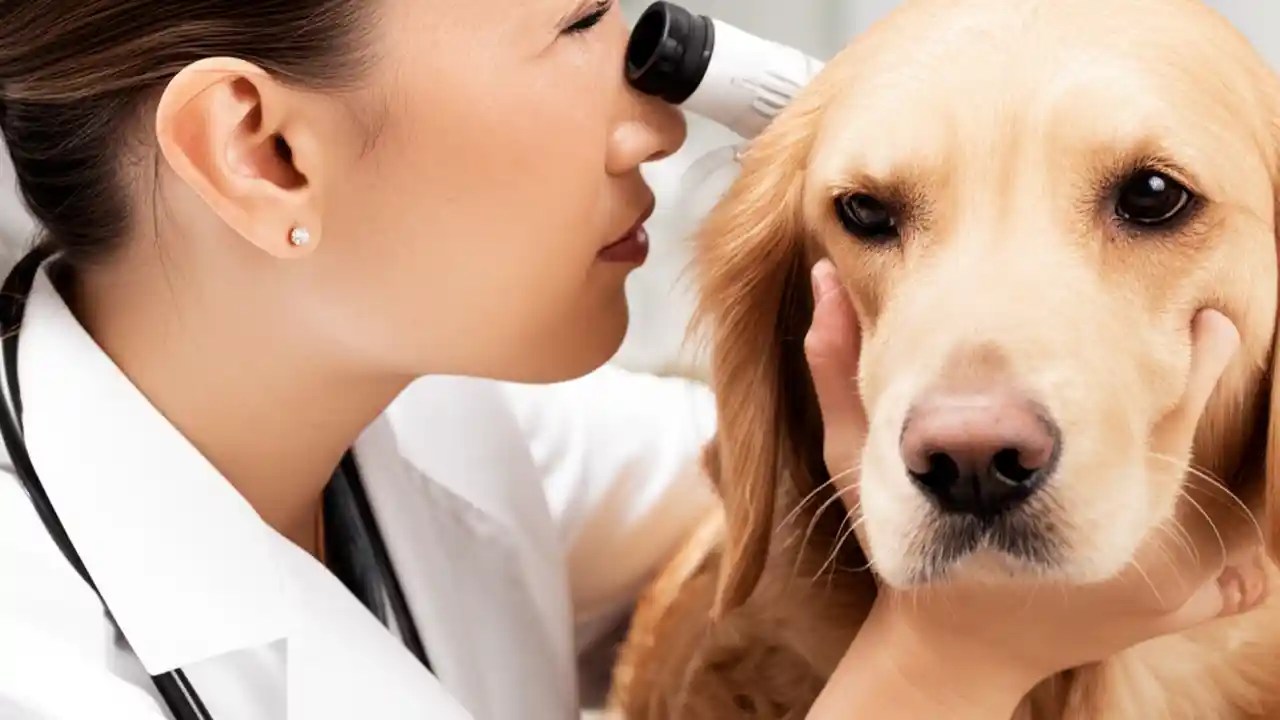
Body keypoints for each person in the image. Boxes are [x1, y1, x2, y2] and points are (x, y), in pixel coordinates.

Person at [0, 1, 1263, 719]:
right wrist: (947, 661)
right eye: (583, 19)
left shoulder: (443, 428)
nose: (658, 118)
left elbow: (766, 483)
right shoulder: (40, 674)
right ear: (265, 150)